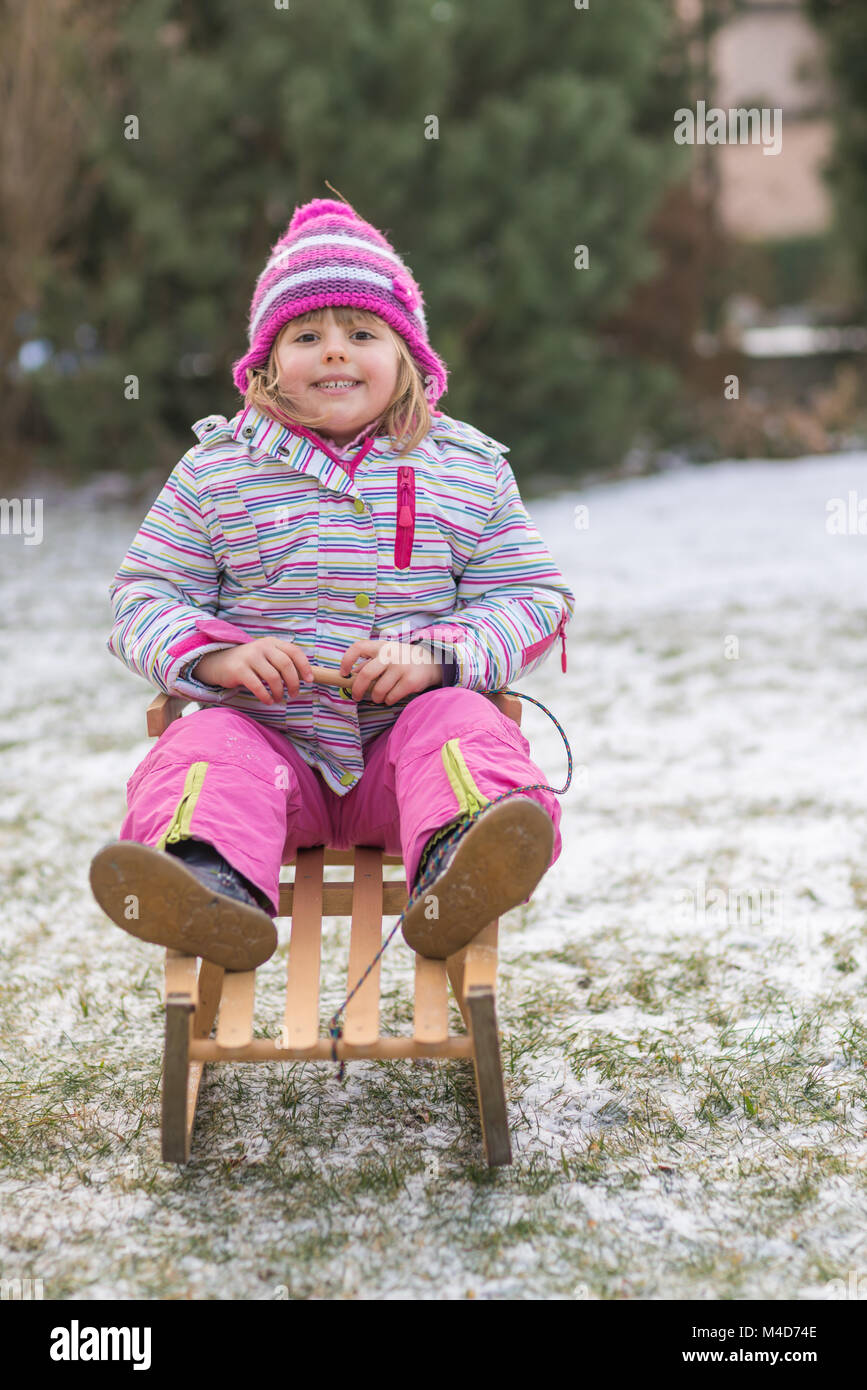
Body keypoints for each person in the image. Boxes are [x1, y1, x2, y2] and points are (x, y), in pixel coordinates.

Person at [89, 194, 576, 972]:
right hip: (270, 749)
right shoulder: (219, 471)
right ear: (267, 361)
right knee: (206, 747)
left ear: (408, 353)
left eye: (361, 333)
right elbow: (142, 596)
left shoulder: (465, 466)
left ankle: (464, 859)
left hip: (399, 759)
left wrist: (435, 655)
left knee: (458, 724)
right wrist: (216, 659)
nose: (334, 353)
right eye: (306, 335)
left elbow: (532, 599)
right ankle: (203, 881)